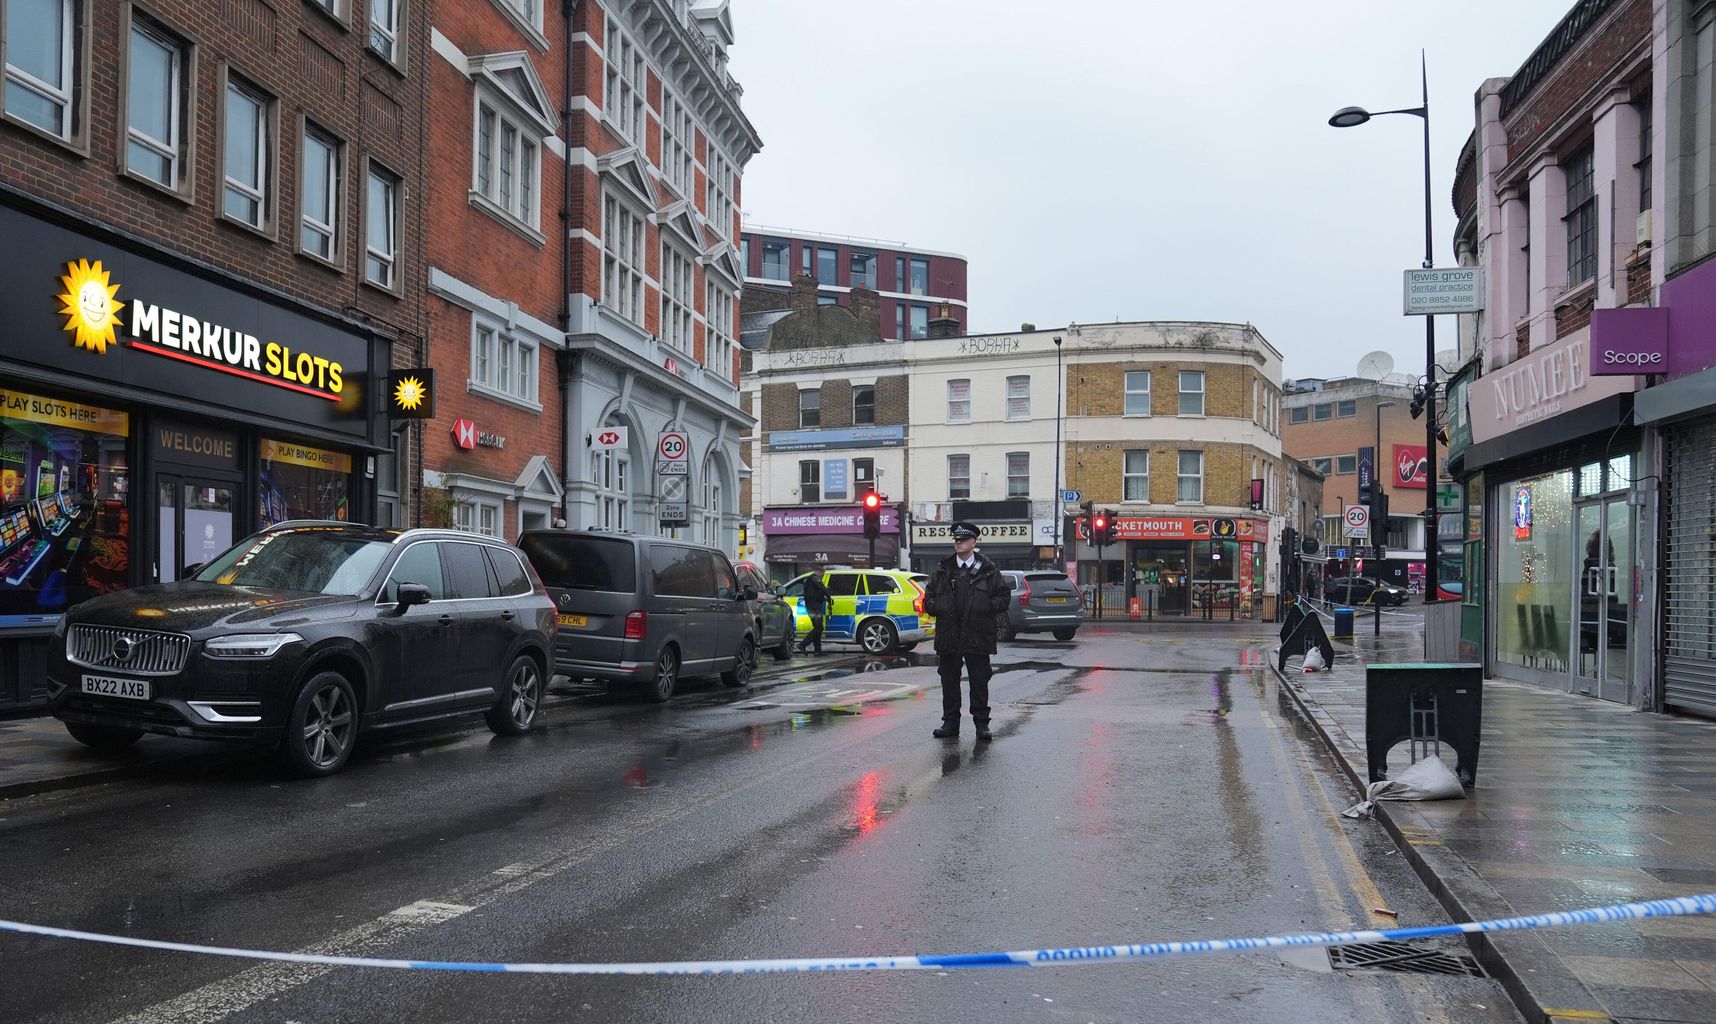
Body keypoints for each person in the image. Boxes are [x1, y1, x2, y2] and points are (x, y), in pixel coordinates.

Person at [923, 521, 1010, 741]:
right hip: (949, 634)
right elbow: (928, 598)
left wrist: (988, 607)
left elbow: (1003, 597)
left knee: (979, 682)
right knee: (949, 681)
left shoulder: (989, 570)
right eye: (956, 540)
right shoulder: (943, 569)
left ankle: (982, 725)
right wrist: (937, 606)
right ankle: (950, 723)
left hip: (977, 634)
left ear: (974, 542)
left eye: (962, 540)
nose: (958, 543)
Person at [797, 571, 830, 654]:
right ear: (818, 572)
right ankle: (802, 644)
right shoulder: (814, 578)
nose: (822, 576)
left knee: (818, 627)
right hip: (814, 607)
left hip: (812, 607)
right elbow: (822, 588)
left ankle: (817, 650)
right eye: (822, 574)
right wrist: (829, 596)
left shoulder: (808, 580)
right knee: (819, 627)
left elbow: (816, 591)